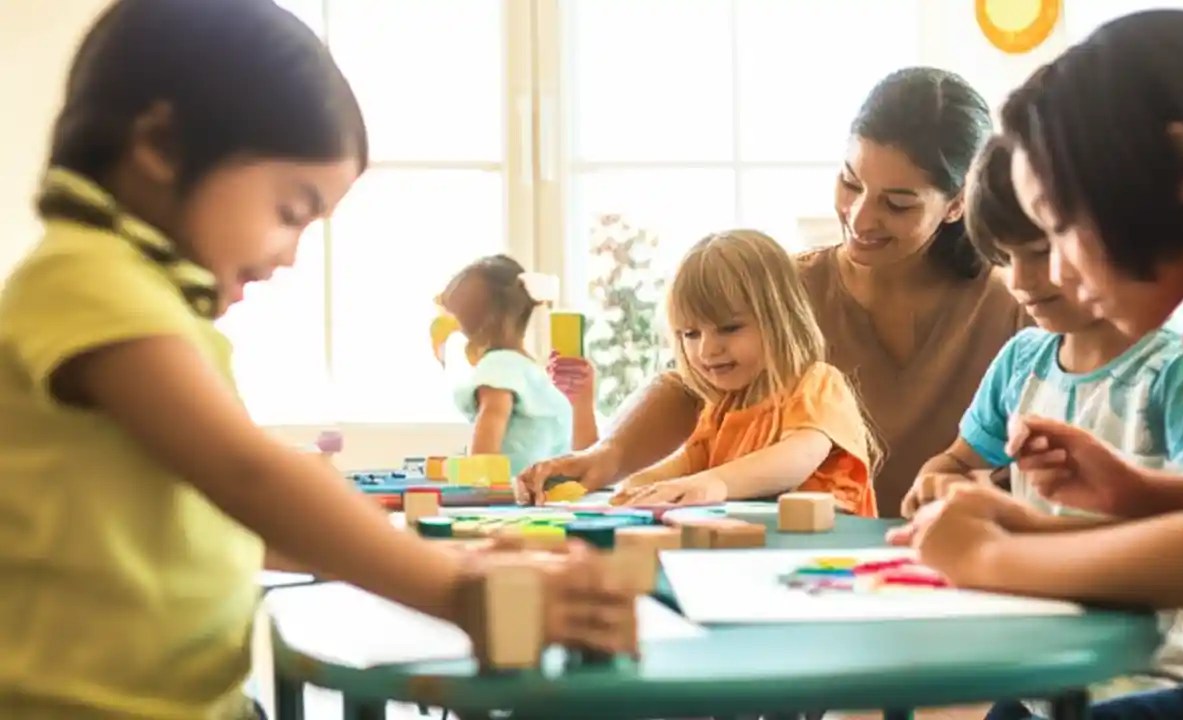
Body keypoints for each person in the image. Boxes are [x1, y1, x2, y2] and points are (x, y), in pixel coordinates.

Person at [0, 2, 632, 716]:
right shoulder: (88, 280)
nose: (288, 257)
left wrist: (453, 558)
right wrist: (458, 591)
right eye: (290, 212)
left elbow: (215, 526)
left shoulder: (132, 299)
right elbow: (252, 477)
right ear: (162, 145)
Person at [889, 9, 1183, 719]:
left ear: (1180, 167)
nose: (1058, 272)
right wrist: (1131, 495)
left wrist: (989, 560)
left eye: (1061, 227)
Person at [525, 67, 1028, 513]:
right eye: (850, 183)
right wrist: (605, 457)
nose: (860, 217)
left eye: (897, 204)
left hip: (956, 566)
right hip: (802, 563)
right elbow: (687, 385)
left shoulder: (1014, 307)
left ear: (958, 204)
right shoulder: (786, 285)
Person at [903, 138, 1183, 718]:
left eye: (1040, 248)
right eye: (1004, 258)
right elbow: (953, 463)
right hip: (1036, 644)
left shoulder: (1170, 369)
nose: (1025, 279)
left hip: (1148, 657)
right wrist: (944, 488)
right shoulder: (1023, 360)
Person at [610, 230, 878, 515]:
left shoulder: (817, 384)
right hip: (759, 548)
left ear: (780, 319)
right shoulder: (722, 407)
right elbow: (690, 461)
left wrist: (714, 483)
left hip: (832, 549)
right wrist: (642, 483)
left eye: (729, 328)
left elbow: (798, 457)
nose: (707, 350)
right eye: (691, 334)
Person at [439, 255, 594, 473]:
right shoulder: (503, 369)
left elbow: (484, 458)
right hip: (519, 501)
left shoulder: (510, 369)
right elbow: (484, 462)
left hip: (534, 499)